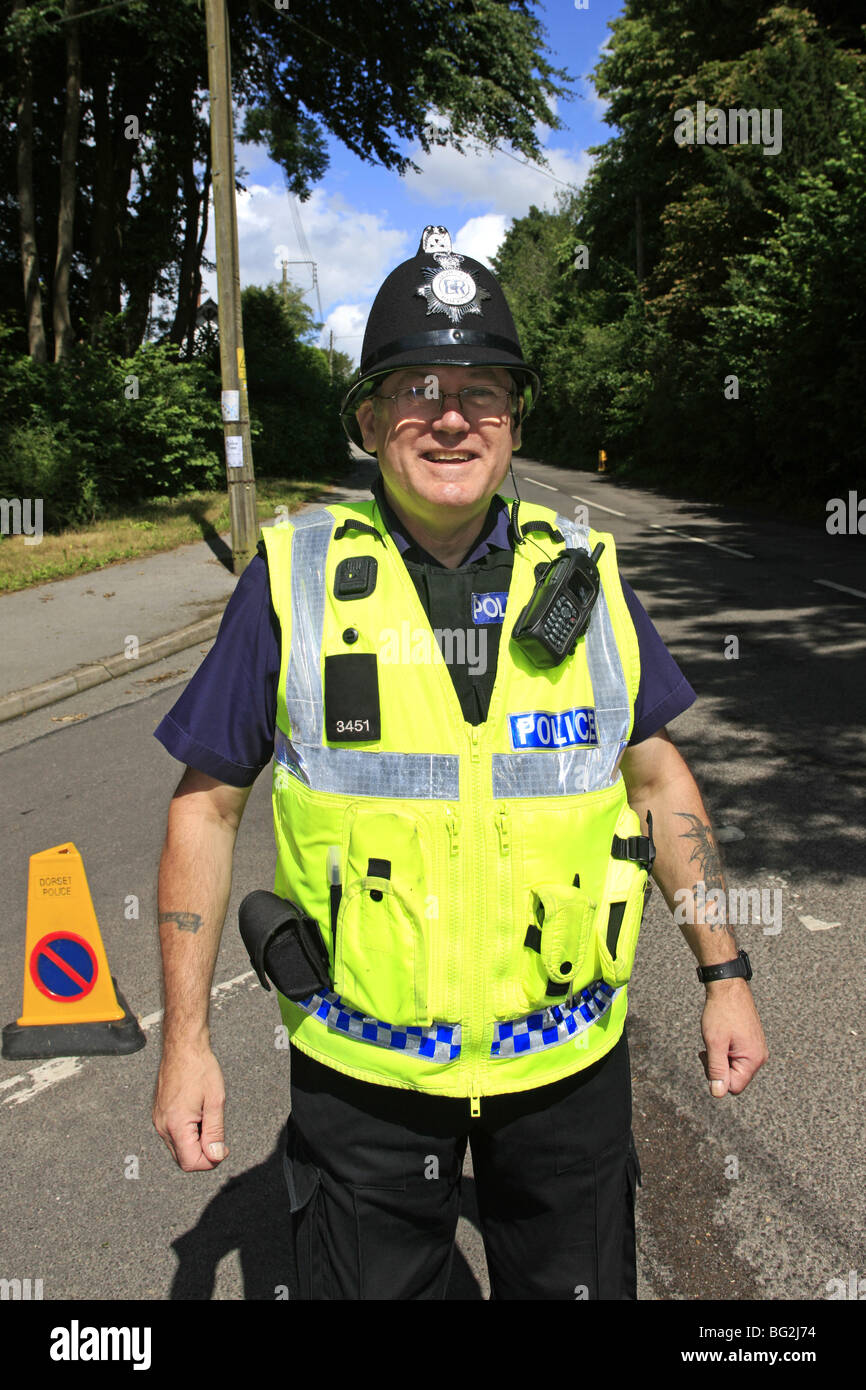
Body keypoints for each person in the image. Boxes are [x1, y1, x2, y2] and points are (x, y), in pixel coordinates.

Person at [152, 226, 768, 1300]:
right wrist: (186, 1044)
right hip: (365, 1080)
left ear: (512, 423)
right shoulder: (291, 579)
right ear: (368, 418)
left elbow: (658, 780)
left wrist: (723, 972)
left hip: (565, 1071)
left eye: (481, 391)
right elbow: (204, 809)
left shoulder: (584, 575)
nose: (450, 414)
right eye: (417, 386)